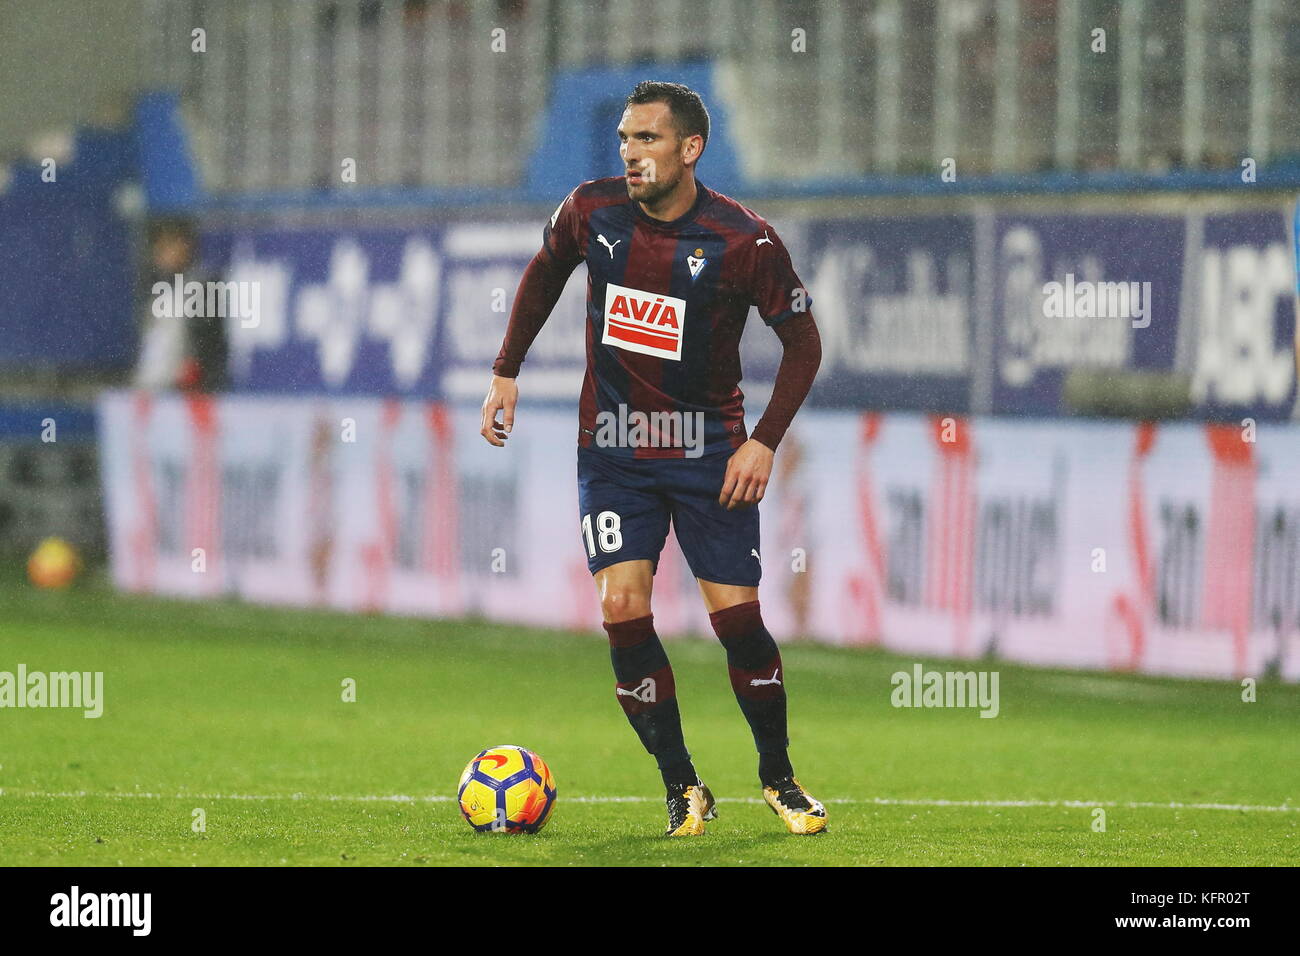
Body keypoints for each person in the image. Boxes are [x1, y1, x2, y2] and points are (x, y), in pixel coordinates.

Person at [481, 82, 824, 836]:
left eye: (648, 141)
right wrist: (507, 368)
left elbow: (803, 342)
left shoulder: (745, 241)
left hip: (709, 454)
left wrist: (764, 440)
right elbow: (544, 273)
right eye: (626, 141)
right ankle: (684, 787)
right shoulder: (589, 210)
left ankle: (779, 778)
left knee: (736, 621)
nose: (631, 155)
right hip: (614, 453)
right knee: (620, 608)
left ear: (690, 149)